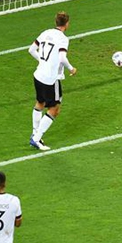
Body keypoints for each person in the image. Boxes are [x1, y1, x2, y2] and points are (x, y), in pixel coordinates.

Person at [28, 11, 77, 151]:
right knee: (54, 109)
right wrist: (71, 68)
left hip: (38, 74)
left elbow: (31, 50)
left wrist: (43, 61)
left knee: (40, 102)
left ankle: (34, 132)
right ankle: (36, 138)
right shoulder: (63, 39)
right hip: (50, 79)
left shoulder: (45, 32)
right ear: (67, 24)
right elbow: (62, 58)